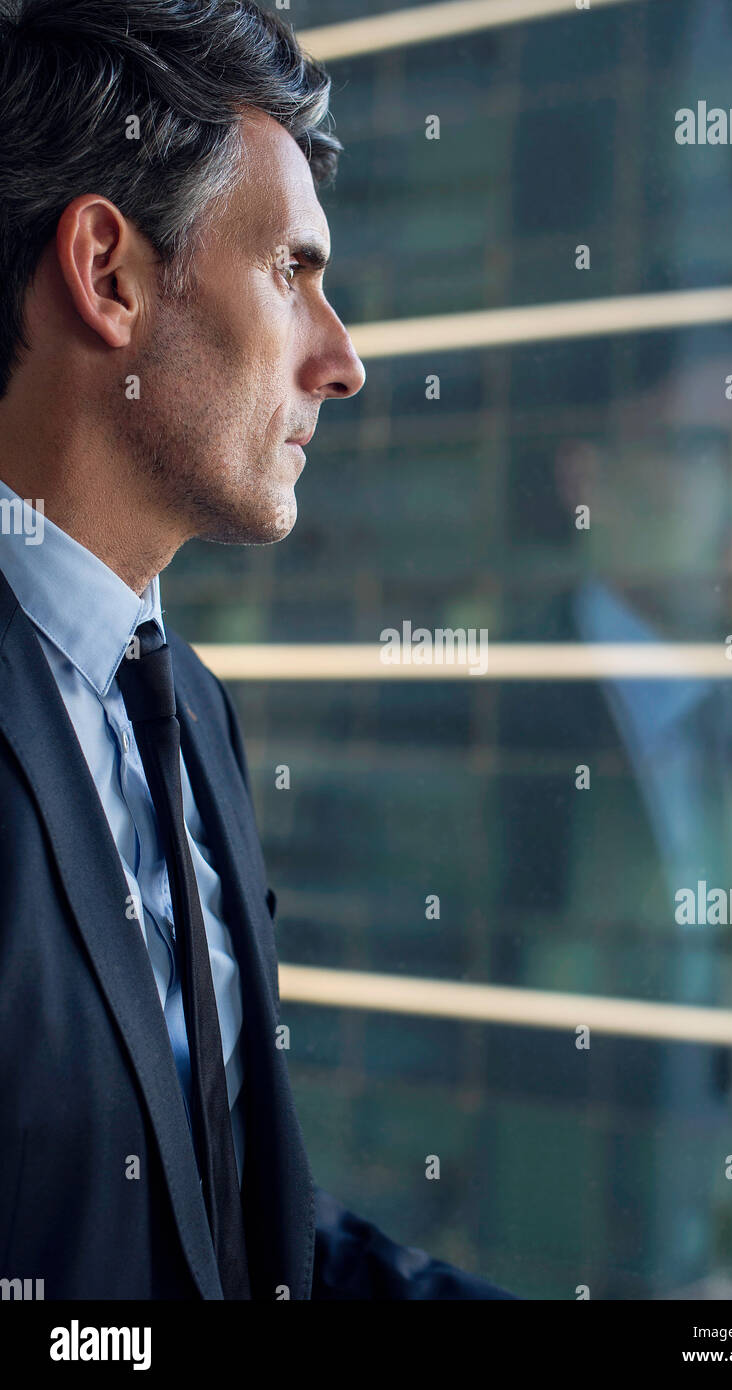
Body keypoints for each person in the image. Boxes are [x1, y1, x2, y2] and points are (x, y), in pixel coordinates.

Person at [0, 0, 516, 1300]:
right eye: (291, 271)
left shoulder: (189, 713)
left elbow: (234, 1211)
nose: (342, 361)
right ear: (110, 273)